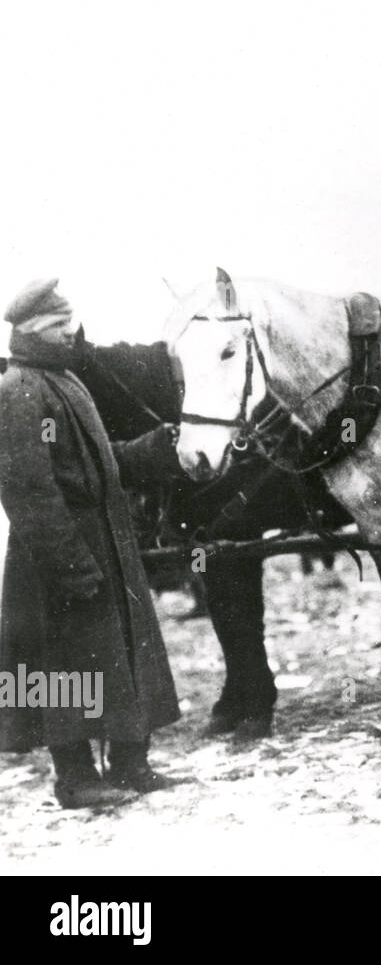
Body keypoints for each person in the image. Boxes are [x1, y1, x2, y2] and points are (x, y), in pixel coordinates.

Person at [0, 278, 183, 809]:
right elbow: (29, 489)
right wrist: (69, 565)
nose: (72, 334)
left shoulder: (65, 382)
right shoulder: (20, 391)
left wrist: (156, 448)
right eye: (61, 327)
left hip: (105, 543)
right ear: (35, 330)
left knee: (121, 657)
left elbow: (101, 464)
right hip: (60, 555)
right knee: (67, 670)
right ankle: (75, 780)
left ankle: (131, 767)